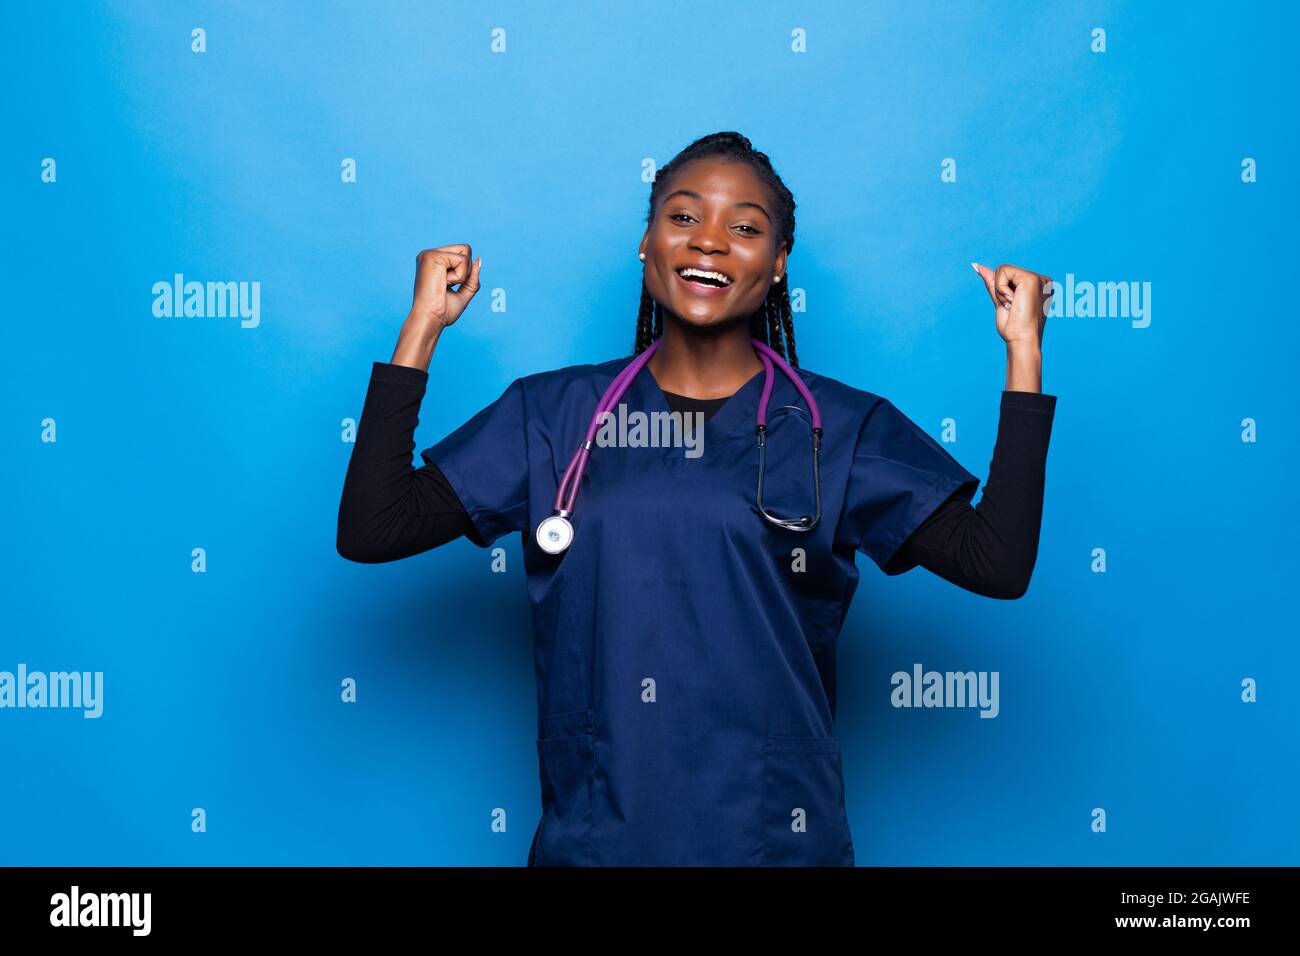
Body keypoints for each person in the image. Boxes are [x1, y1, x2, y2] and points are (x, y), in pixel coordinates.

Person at [337, 132, 1058, 866]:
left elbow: (994, 564)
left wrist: (1023, 351)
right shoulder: (551, 417)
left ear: (778, 266)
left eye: (744, 228)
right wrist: (422, 327)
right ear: (645, 244)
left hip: (773, 840)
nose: (709, 242)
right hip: (599, 839)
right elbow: (375, 527)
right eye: (683, 218)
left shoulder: (840, 427)